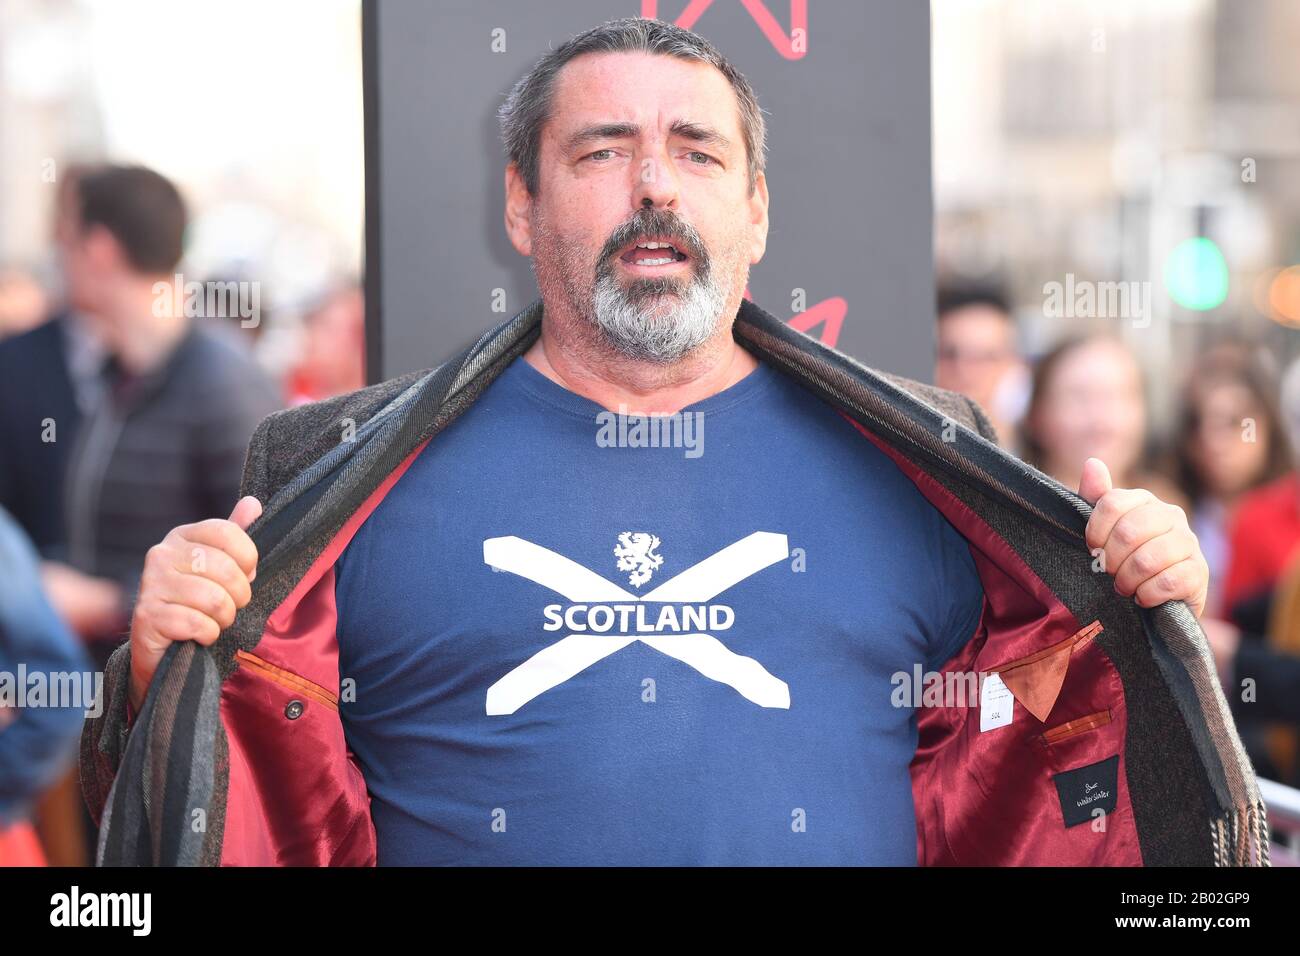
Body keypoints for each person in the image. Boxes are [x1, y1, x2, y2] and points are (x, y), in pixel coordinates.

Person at [84, 18, 1255, 868]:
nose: (653, 185)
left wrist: (1139, 603)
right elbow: (177, 817)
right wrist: (153, 676)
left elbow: (1050, 750)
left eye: (697, 152)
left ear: (755, 209)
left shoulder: (938, 466)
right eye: (599, 152)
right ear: (520, 206)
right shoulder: (328, 475)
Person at [52, 164, 281, 664]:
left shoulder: (222, 383)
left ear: (99, 250)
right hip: (112, 692)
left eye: (66, 239)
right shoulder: (119, 372)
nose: (58, 257)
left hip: (172, 699)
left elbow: (267, 562)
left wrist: (104, 602)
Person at [1021, 333, 1186, 510]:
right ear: (1036, 415)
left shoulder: (1167, 509)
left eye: (1119, 395)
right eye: (1079, 396)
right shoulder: (1010, 510)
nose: (1100, 416)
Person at [934, 282, 1027, 450]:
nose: (965, 371)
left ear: (1013, 363)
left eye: (985, 357)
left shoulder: (1045, 455)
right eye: (949, 354)